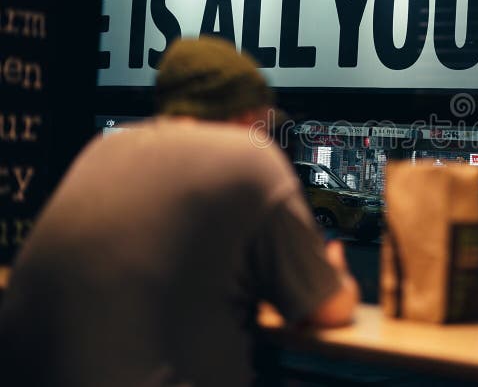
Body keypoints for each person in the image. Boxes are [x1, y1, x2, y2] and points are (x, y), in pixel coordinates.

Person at [0, 37, 359, 387]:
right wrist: (336, 273)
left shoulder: (105, 148)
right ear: (247, 112)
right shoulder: (246, 157)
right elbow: (328, 310)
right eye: (264, 119)